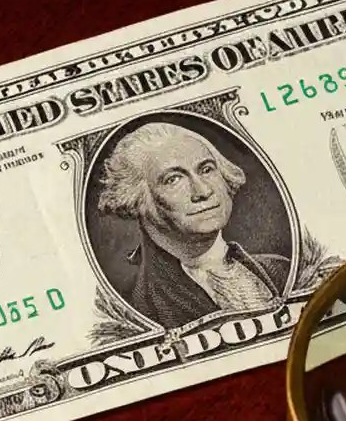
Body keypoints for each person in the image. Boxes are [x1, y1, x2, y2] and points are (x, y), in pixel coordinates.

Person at [97, 121, 289, 329]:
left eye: (206, 169)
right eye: (173, 179)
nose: (203, 191)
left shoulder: (280, 270)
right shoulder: (134, 310)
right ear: (137, 200)